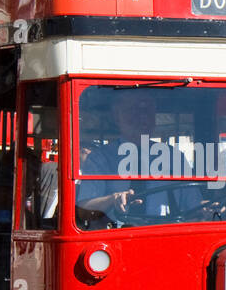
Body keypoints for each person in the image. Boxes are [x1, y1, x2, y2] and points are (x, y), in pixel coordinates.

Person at [76, 90, 203, 226]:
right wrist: (113, 199)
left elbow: (193, 206)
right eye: (132, 110)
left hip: (166, 236)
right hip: (119, 238)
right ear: (117, 117)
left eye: (147, 110)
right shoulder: (101, 158)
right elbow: (83, 210)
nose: (141, 116)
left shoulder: (175, 157)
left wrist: (206, 209)